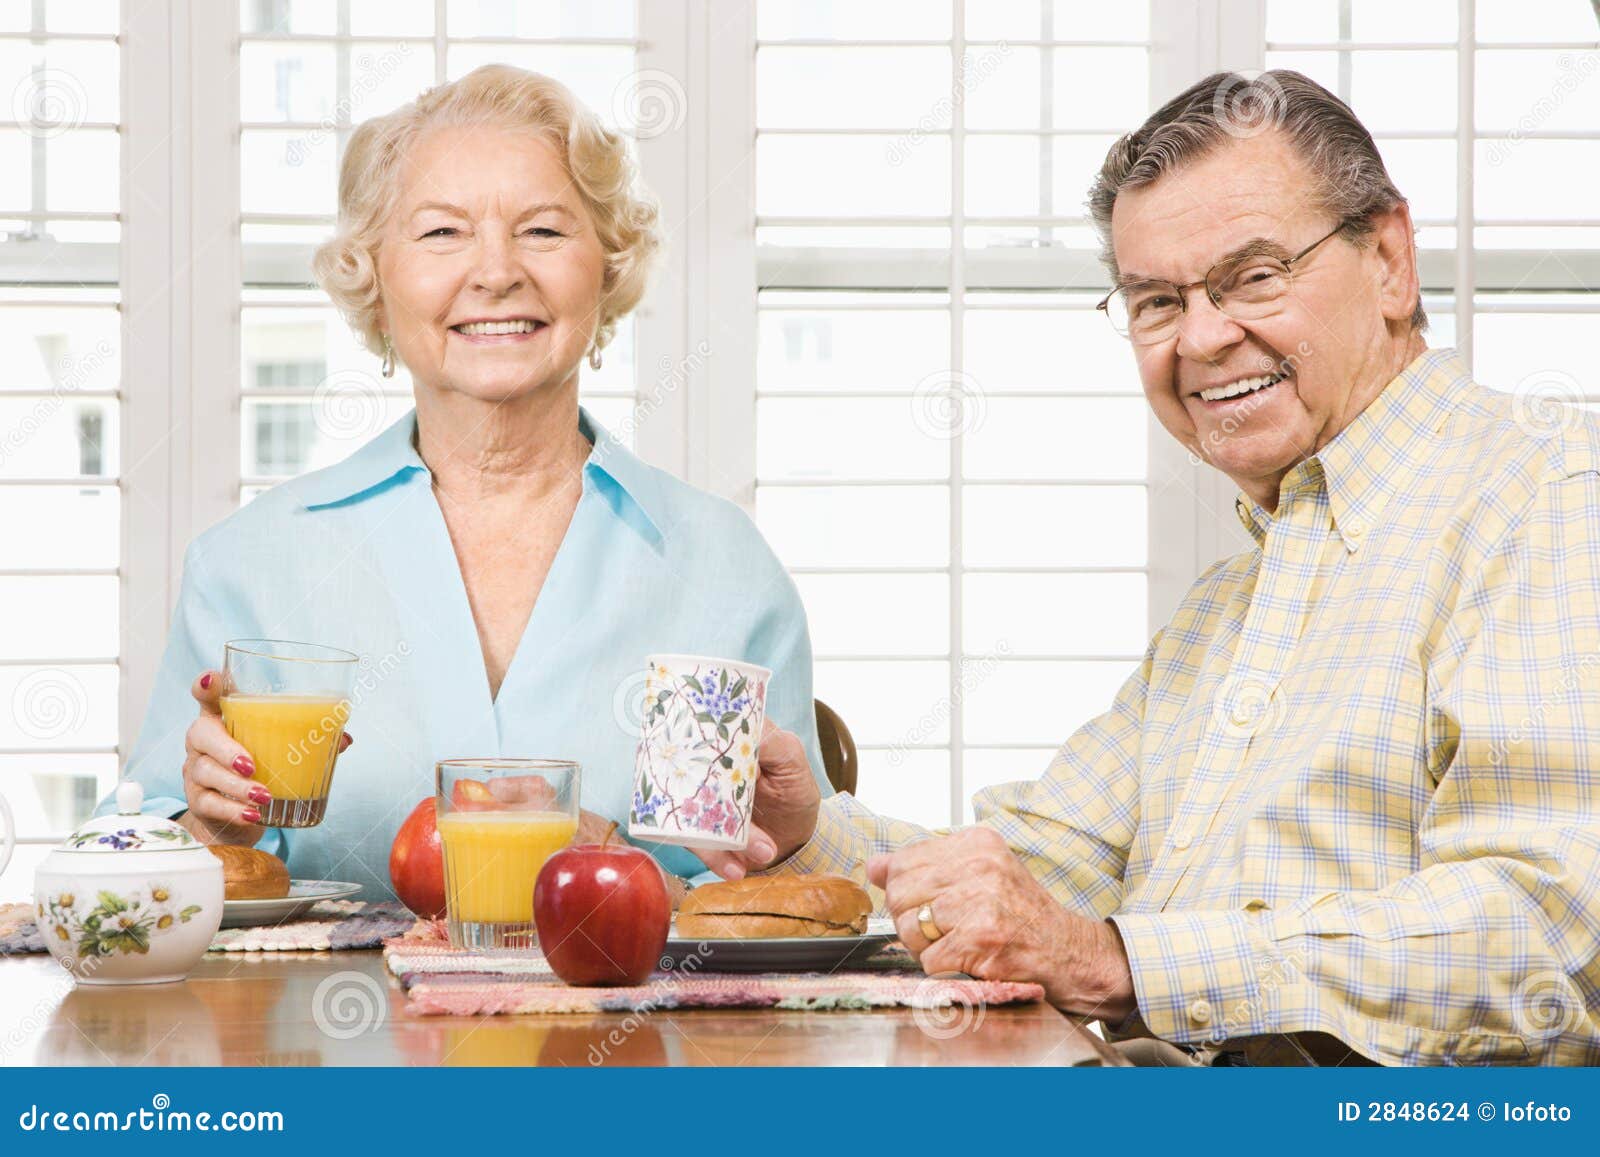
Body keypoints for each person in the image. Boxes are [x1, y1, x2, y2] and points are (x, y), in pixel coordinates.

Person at [705, 71, 1600, 1066]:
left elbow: (1545, 925)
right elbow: (1043, 870)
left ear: (1389, 260)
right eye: (1157, 301)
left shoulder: (1551, 491)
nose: (1204, 337)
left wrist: (1122, 961)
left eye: (1254, 276)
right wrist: (803, 833)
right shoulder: (1227, 606)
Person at [106, 65, 824, 896]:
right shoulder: (250, 564)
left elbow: (796, 902)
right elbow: (120, 875)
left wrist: (784, 844)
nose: (495, 273)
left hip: (640, 1026)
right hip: (319, 1030)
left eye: (544, 232)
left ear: (608, 268)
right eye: (443, 233)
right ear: (375, 276)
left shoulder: (723, 566)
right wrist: (208, 832)